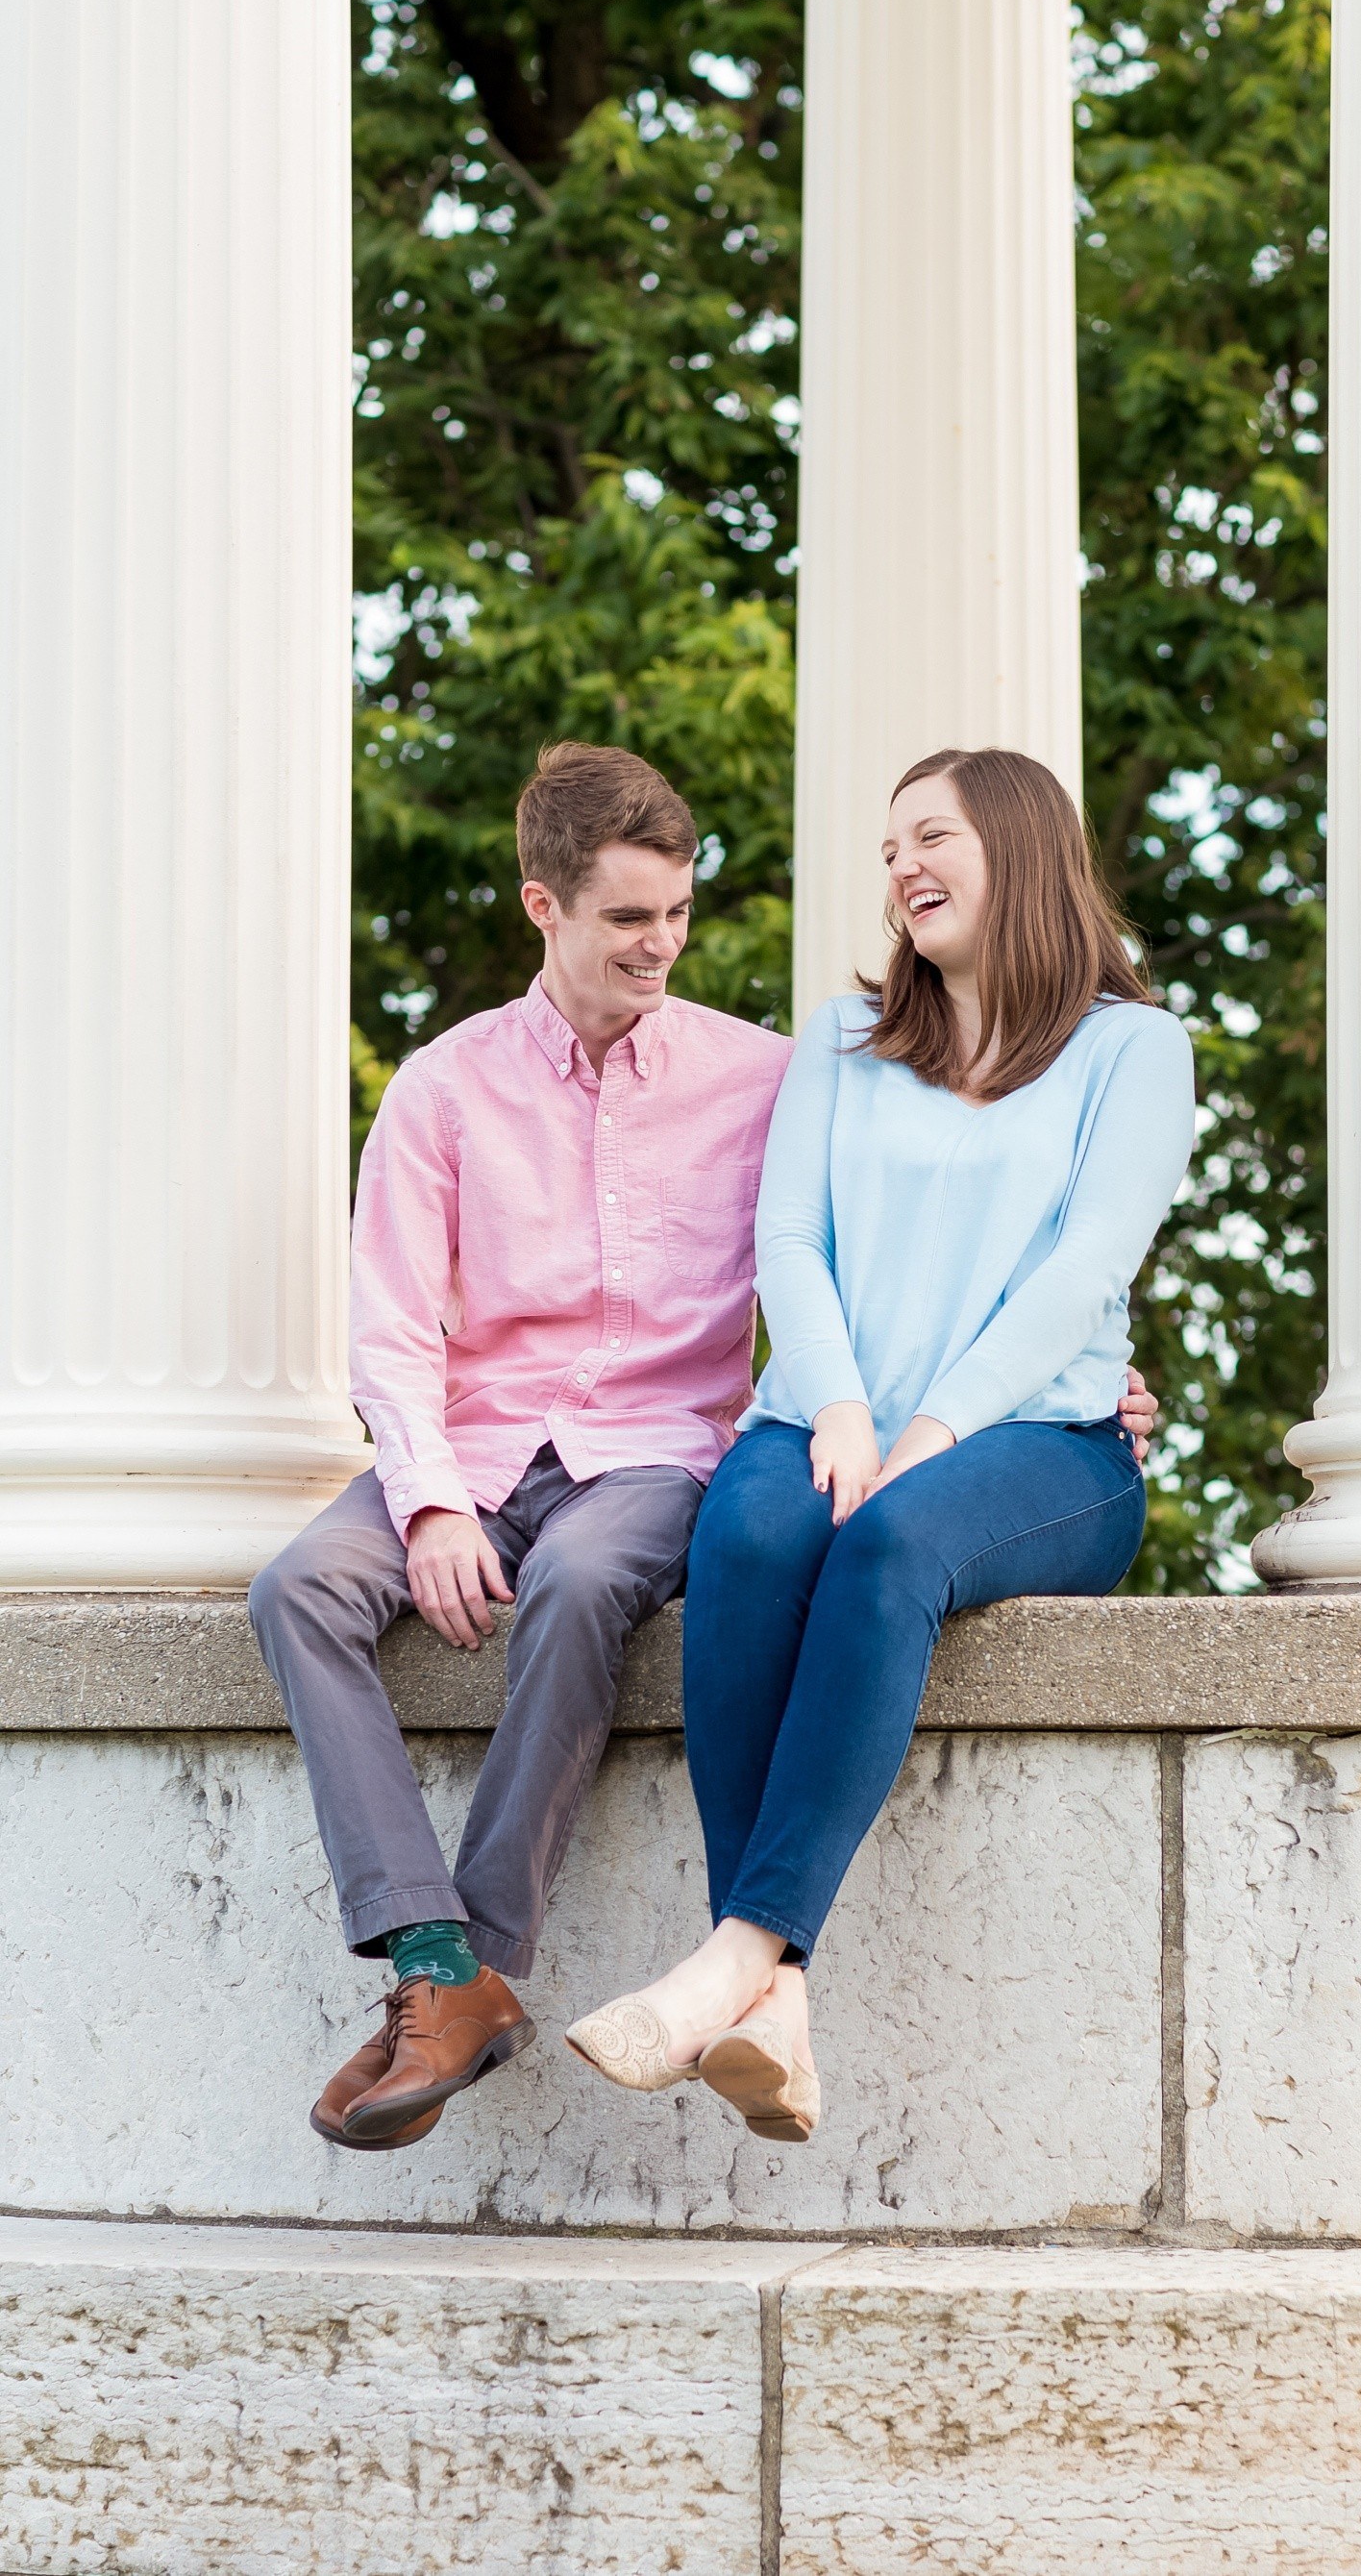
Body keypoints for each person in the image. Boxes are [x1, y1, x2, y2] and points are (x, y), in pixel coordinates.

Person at [248, 742, 1155, 2155]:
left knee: (579, 1587)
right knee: (296, 1587)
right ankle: (440, 1960)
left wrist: (1074, 1381)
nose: (660, 943)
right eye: (627, 917)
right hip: (479, 1449)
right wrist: (426, 1503)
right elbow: (393, 1325)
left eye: (676, 912)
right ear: (543, 906)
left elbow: (958, 1230)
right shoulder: (446, 1086)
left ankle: (547, 1962)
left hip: (649, 1451)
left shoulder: (765, 1070)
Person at [562, 748, 1195, 2144]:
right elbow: (788, 1235)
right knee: (750, 1535)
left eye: (933, 835)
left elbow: (1085, 1269)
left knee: (892, 1541)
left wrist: (933, 1430)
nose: (904, 864)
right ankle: (773, 1999)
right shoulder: (846, 1038)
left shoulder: (1132, 1048)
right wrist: (840, 1407)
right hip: (824, 1414)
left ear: (1019, 845)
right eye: (891, 845)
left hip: (1041, 1442)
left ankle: (730, 1958)